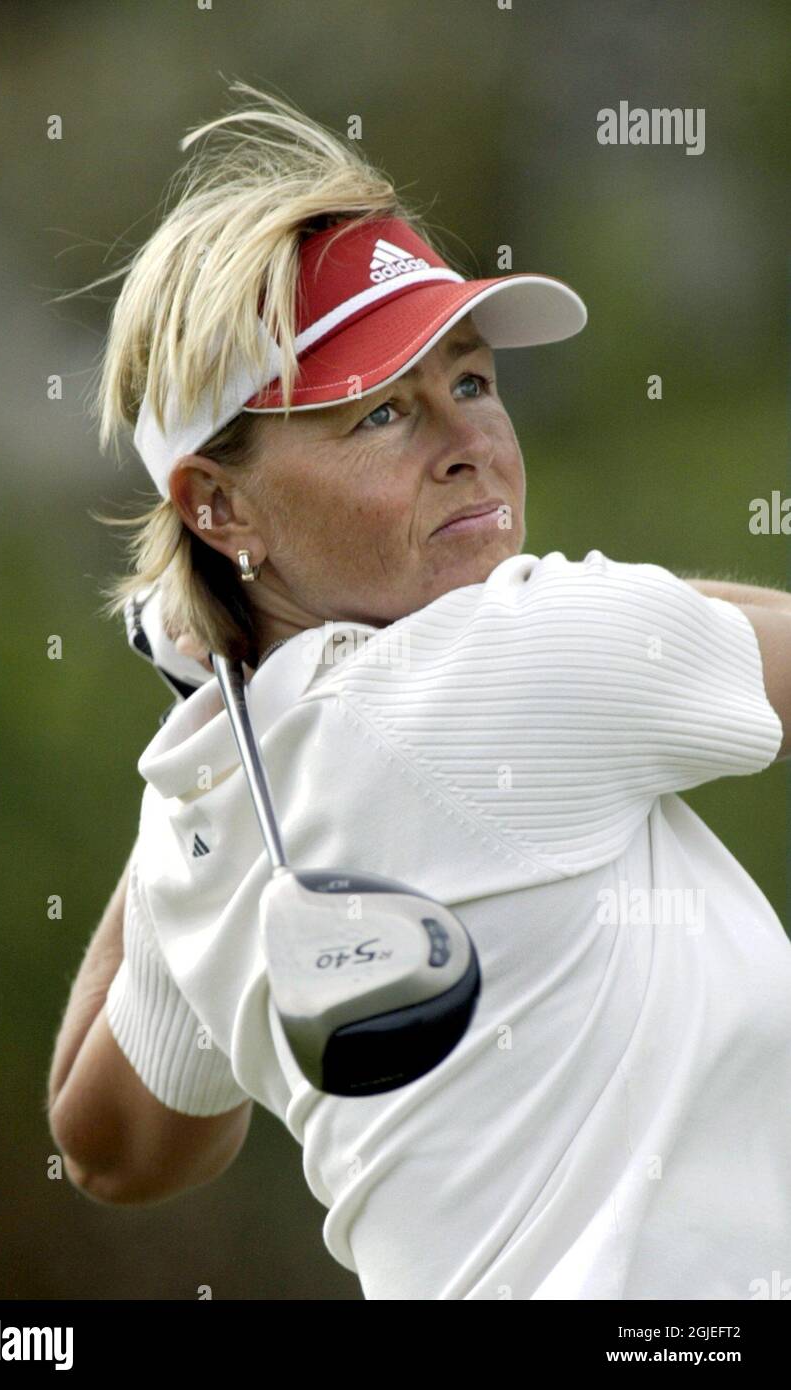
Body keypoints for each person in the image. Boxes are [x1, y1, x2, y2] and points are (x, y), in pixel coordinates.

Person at [47, 82, 791, 1300]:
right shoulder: (521, 652)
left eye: (474, 382)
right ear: (216, 504)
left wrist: (220, 714)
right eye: (381, 412)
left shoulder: (212, 810)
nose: (468, 443)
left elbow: (114, 1145)